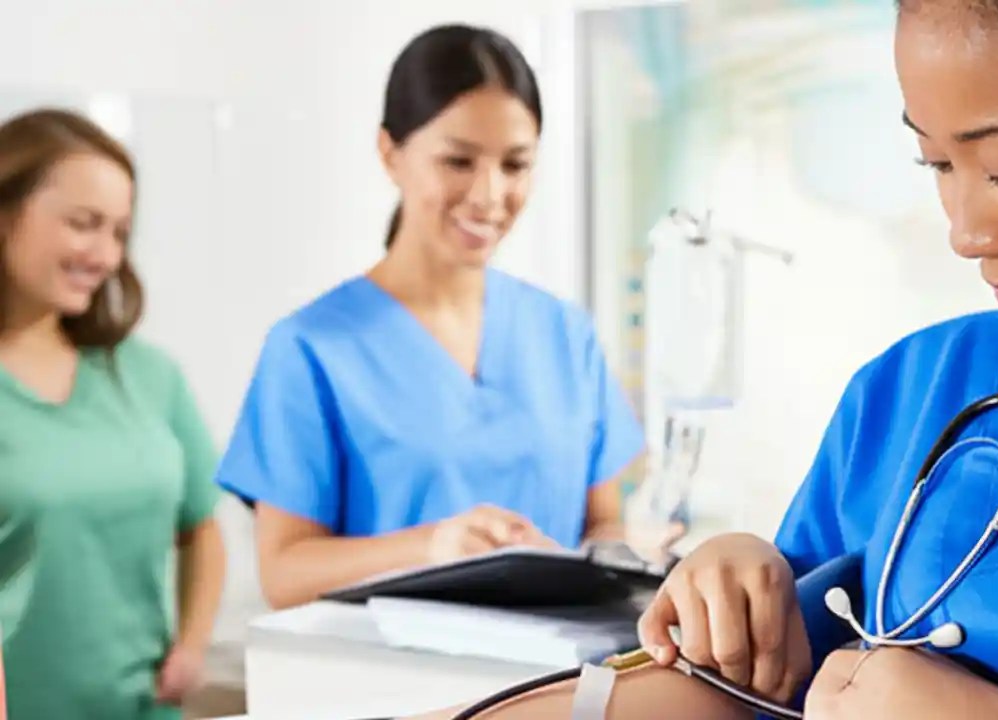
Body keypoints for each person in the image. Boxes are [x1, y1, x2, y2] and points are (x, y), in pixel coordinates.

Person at [414, 0, 998, 718]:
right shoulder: (918, 392)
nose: (968, 232)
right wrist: (732, 592)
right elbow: (743, 688)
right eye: (937, 163)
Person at [216, 24, 645, 610]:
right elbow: (285, 573)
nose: (490, 194)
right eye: (458, 161)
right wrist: (434, 547)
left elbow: (603, 525)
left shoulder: (565, 335)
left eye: (515, 165)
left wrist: (623, 555)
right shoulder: (312, 347)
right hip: (385, 665)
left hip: (558, 663)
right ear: (390, 153)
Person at [0, 108, 226, 719]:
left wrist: (191, 646)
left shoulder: (148, 375)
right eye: (83, 224)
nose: (105, 255)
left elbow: (201, 526)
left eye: (120, 232)